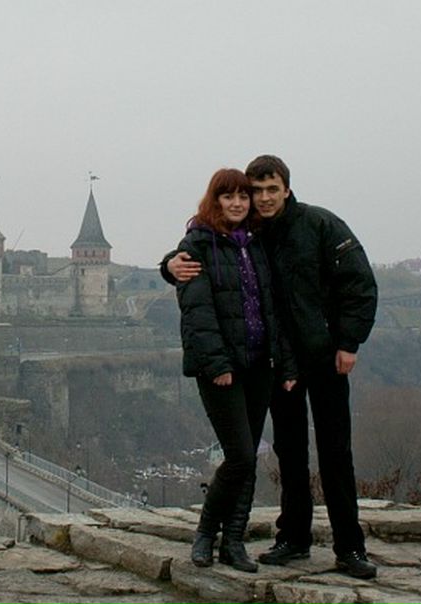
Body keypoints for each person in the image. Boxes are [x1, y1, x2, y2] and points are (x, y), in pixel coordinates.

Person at [162, 155, 379, 579]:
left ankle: (349, 547)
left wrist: (349, 342)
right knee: (290, 453)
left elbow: (360, 282)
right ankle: (293, 538)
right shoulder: (253, 232)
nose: (262, 198)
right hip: (279, 362)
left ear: (287, 189)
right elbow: (204, 241)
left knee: (335, 453)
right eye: (256, 190)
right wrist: (170, 264)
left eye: (270, 189)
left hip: (326, 356)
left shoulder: (319, 224)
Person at [174, 168, 297, 571]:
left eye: (243, 197)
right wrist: (217, 364)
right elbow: (197, 312)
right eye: (228, 197)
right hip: (221, 369)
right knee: (241, 455)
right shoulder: (196, 245)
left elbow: (274, 310)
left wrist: (285, 363)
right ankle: (206, 534)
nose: (238, 203)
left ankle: (234, 542)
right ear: (215, 200)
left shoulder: (259, 243)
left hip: (260, 365)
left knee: (249, 457)